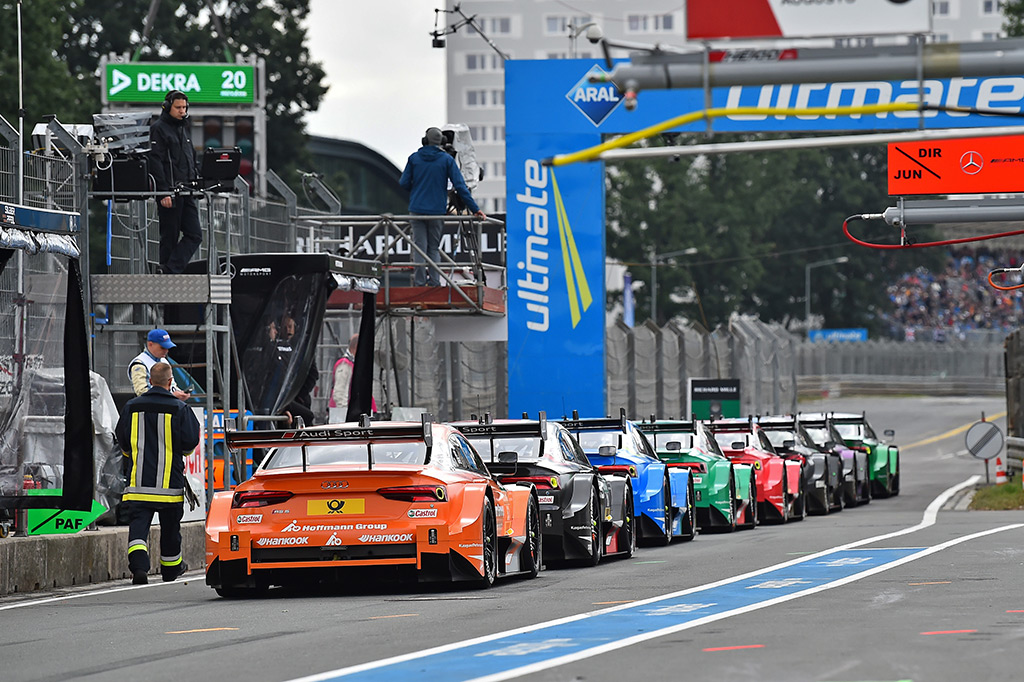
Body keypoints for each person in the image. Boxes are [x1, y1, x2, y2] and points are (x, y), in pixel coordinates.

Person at [115, 362, 200, 585]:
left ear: (150, 381)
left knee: (138, 527)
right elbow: (190, 442)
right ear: (170, 382)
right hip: (169, 486)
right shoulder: (180, 409)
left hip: (139, 484)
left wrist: (132, 455)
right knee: (170, 530)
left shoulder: (131, 407)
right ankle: (171, 570)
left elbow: (122, 439)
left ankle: (139, 568)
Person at [399, 127, 486, 287]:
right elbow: (460, 186)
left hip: (417, 209)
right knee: (433, 248)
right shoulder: (446, 160)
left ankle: (419, 283)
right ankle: (434, 282)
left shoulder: (414, 158)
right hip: (436, 211)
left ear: (425, 141)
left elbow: (403, 183)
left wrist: (418, 188)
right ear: (441, 142)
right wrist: (475, 209)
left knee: (419, 248)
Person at [149, 89, 202, 274]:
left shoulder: (183, 129)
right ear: (167, 107)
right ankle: (166, 273)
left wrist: (197, 181)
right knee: (169, 236)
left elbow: (190, 157)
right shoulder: (158, 129)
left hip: (186, 191)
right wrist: (163, 192)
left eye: (184, 107)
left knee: (195, 234)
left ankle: (169, 270)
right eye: (178, 107)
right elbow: (155, 161)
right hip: (170, 192)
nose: (182, 111)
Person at [127, 328, 190, 400]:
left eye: (168, 348)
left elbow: (172, 385)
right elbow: (142, 393)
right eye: (162, 348)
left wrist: (180, 393)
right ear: (150, 344)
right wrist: (172, 396)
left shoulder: (163, 360)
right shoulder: (139, 364)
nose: (166, 351)